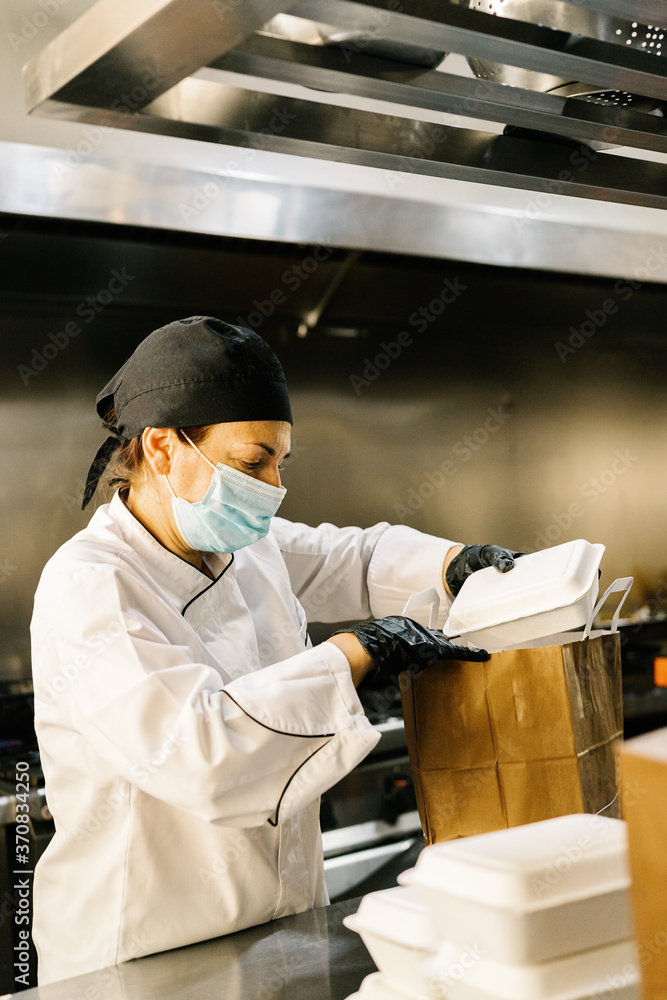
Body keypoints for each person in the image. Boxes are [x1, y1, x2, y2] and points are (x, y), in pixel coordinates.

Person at [29, 316, 517, 984]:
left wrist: (455, 564)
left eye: (279, 462)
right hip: (145, 955)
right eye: (251, 463)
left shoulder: (243, 545)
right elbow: (200, 754)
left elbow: (353, 558)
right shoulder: (92, 584)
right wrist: (355, 653)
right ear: (163, 447)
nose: (273, 486)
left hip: (278, 931)